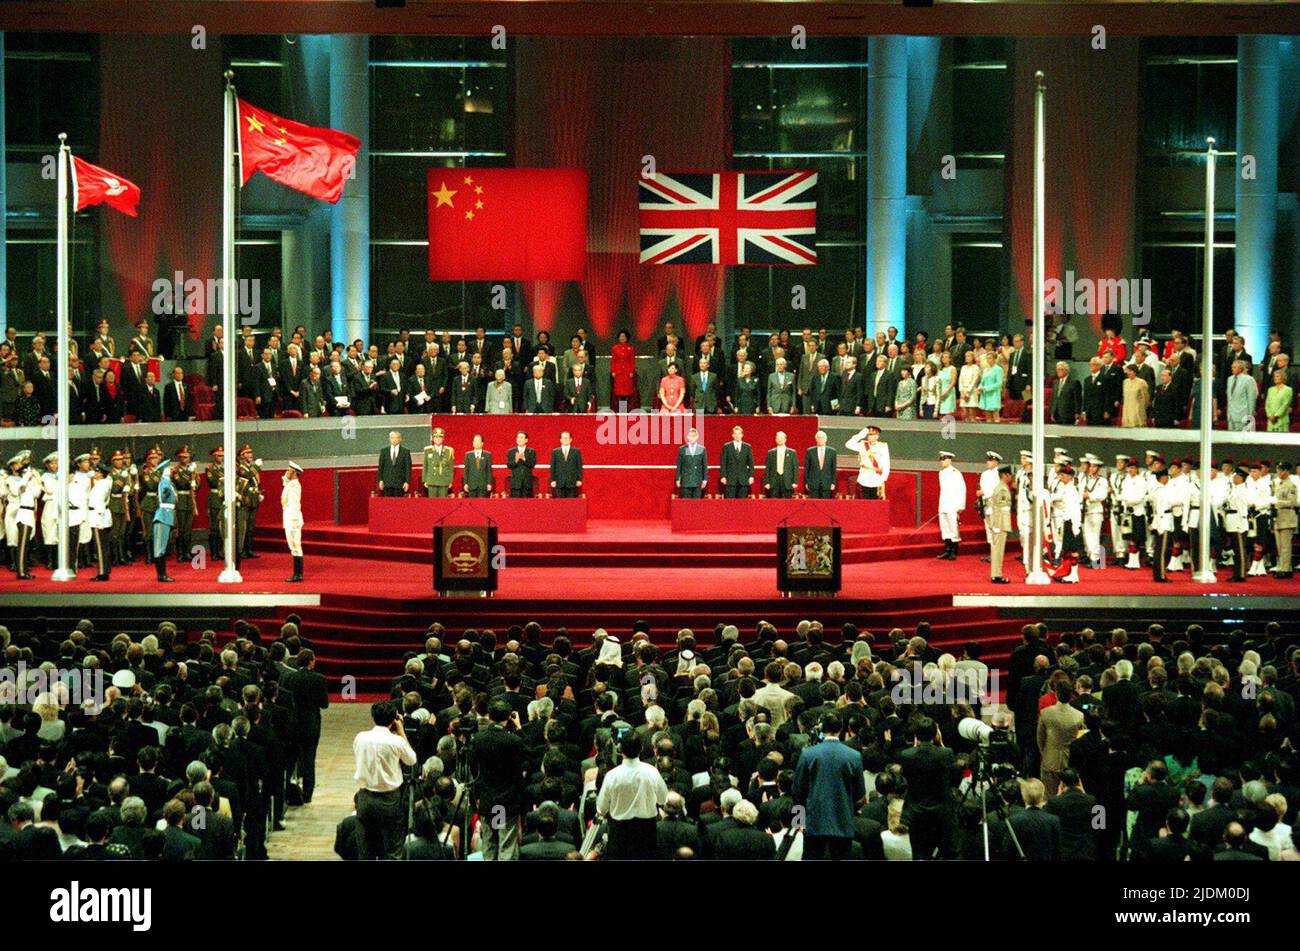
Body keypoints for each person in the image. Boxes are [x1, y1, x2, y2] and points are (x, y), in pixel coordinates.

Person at [789, 713, 865, 860]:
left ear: (822, 729)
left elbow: (798, 791)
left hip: (814, 821)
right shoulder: (854, 755)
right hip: (843, 820)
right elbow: (859, 792)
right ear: (841, 729)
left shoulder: (808, 754)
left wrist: (798, 821)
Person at [352, 700, 417, 859]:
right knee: (392, 849)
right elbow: (412, 760)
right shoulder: (397, 741)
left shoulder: (360, 737)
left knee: (365, 848)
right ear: (394, 719)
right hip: (389, 799)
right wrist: (401, 732)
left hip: (365, 797)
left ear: (373, 718)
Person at [596, 729, 669, 860]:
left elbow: (601, 808)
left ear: (620, 749)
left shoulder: (612, 776)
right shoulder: (651, 772)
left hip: (620, 833)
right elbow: (663, 799)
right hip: (646, 832)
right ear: (641, 749)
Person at [471, 699, 527, 861]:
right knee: (506, 845)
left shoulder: (478, 739)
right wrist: (520, 728)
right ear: (508, 718)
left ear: (489, 716)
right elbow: (529, 756)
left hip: (488, 800)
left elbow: (475, 770)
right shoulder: (513, 741)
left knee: (489, 844)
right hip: (505, 802)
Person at [897, 717, 957, 860]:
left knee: (919, 853)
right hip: (941, 813)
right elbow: (953, 776)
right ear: (936, 734)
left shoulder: (907, 755)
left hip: (917, 812)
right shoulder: (946, 753)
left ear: (916, 735)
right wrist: (941, 743)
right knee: (946, 853)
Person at [1006, 779, 1062, 861]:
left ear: (1023, 797)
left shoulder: (1013, 821)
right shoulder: (1054, 820)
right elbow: (1058, 851)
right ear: (1042, 796)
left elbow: (1008, 850)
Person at [936, 451, 966, 560]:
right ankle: (947, 549)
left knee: (953, 527)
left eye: (943, 459)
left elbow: (961, 490)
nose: (942, 461)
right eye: (941, 459)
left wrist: (960, 507)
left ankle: (954, 550)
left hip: (953, 504)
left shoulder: (956, 473)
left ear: (949, 459)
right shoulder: (941, 473)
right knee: (945, 528)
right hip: (943, 503)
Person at [845, 425, 889, 500]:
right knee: (864, 503)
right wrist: (862, 433)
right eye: (868, 434)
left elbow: (886, 463)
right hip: (864, 478)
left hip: (876, 478)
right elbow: (848, 444)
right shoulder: (862, 445)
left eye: (872, 434)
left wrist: (883, 478)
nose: (869, 436)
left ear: (877, 436)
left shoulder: (883, 446)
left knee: (876, 504)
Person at [988, 465, 1014, 583]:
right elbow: (999, 508)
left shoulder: (1002, 487)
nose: (1011, 477)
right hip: (999, 523)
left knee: (998, 550)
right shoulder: (1002, 489)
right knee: (997, 550)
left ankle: (997, 574)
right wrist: (996, 526)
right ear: (1005, 475)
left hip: (1000, 523)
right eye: (1009, 475)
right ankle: (996, 575)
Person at [153, 458, 176, 583]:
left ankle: (163, 574)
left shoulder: (168, 482)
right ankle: (161, 575)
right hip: (163, 516)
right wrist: (166, 478)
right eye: (169, 469)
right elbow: (164, 493)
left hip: (168, 515)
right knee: (159, 548)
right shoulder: (164, 482)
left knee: (163, 547)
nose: (171, 470)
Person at [282, 462, 304, 583]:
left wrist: (294, 520)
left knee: (295, 546)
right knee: (293, 546)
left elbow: (294, 504)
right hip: (289, 517)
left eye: (289, 470)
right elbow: (285, 481)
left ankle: (298, 574)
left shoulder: (294, 486)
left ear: (294, 472)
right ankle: (297, 573)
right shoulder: (291, 484)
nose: (286, 472)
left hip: (293, 518)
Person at [1273, 460, 1296, 579]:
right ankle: (1283, 567)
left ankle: (1285, 569)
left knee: (1285, 546)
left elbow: (1292, 502)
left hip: (1287, 517)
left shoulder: (1290, 485)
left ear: (1286, 471)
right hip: (1278, 518)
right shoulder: (1278, 484)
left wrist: (1277, 502)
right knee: (1279, 546)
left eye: (1281, 470)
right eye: (1278, 470)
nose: (1278, 472)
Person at [719, 426, 754, 499]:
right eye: (735, 434)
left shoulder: (747, 447)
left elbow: (751, 463)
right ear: (732, 435)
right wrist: (723, 476)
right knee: (730, 503)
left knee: (742, 504)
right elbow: (723, 463)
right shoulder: (727, 446)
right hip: (730, 480)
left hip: (743, 480)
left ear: (742, 435)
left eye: (739, 434)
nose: (737, 436)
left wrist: (751, 476)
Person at [764, 431, 798, 499]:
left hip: (787, 482)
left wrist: (795, 482)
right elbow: (767, 469)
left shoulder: (792, 453)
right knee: (774, 504)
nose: (780, 440)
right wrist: (767, 482)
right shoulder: (771, 453)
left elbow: (795, 468)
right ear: (775, 439)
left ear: (785, 439)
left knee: (787, 504)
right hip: (773, 482)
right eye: (778, 438)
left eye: (781, 438)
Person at [1224, 359, 1257, 431]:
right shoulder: (1229, 379)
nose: (1232, 369)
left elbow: (1251, 399)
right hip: (1231, 415)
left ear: (1241, 368)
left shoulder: (1249, 379)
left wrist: (1250, 417)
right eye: (1232, 367)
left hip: (1243, 415)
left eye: (1234, 367)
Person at [803, 430, 837, 499]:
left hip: (827, 484)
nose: (820, 439)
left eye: (822, 437)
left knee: (825, 506)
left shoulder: (832, 452)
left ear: (826, 439)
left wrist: (833, 483)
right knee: (813, 505)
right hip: (813, 484)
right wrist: (806, 482)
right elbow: (807, 468)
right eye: (818, 437)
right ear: (816, 439)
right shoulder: (810, 451)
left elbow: (833, 468)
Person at [675, 427, 708, 499]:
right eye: (690, 436)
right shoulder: (682, 449)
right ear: (687, 437)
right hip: (686, 481)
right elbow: (679, 465)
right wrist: (677, 479)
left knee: (696, 505)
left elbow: (704, 466)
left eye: (694, 436)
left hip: (697, 481)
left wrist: (705, 480)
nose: (692, 438)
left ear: (697, 437)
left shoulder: (702, 449)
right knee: (686, 504)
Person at [377, 431, 411, 497]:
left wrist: (407, 482)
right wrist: (380, 480)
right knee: (388, 504)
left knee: (398, 505)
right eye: (392, 438)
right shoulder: (384, 451)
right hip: (387, 483)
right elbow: (381, 467)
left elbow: (408, 468)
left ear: (400, 439)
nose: (394, 440)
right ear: (389, 439)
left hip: (400, 483)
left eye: (396, 438)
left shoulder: (405, 452)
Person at [549, 431, 583, 498]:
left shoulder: (576, 451)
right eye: (563, 438)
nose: (565, 440)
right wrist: (552, 480)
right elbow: (553, 467)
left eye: (567, 438)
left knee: (571, 505)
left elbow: (579, 466)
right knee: (560, 505)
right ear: (560, 440)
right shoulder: (555, 452)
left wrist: (579, 479)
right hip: (559, 483)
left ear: (570, 439)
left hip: (572, 482)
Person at [610, 330, 638, 411]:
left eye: (624, 336)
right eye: (621, 336)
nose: (622, 338)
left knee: (627, 392)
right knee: (619, 392)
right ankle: (620, 410)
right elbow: (613, 361)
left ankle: (625, 409)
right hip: (618, 373)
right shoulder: (615, 348)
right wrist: (613, 371)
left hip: (627, 373)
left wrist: (632, 371)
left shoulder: (631, 348)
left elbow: (632, 361)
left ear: (627, 338)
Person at [422, 428, 454, 498]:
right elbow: (425, 466)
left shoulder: (448, 451)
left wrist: (450, 481)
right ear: (433, 438)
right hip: (431, 480)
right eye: (436, 437)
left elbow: (450, 467)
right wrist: (425, 480)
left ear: (443, 439)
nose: (438, 439)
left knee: (443, 503)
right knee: (432, 504)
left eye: (440, 437)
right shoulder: (428, 450)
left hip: (444, 480)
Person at [507, 431, 537, 498]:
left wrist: (524, 459)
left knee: (527, 505)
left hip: (527, 484)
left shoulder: (531, 451)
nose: (519, 439)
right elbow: (509, 465)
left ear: (526, 440)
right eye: (518, 438)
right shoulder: (511, 451)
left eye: (521, 438)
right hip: (515, 484)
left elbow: (532, 465)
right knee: (515, 505)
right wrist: (516, 461)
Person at [976, 352, 1003, 421]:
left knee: (995, 414)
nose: (988, 360)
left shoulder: (998, 369)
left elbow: (999, 383)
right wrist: (979, 387)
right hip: (985, 394)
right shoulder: (985, 370)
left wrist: (986, 388)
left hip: (994, 394)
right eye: (987, 358)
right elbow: (982, 382)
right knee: (988, 415)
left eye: (990, 358)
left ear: (994, 359)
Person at [1265, 368, 1293, 433]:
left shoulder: (1288, 389)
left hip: (1281, 419)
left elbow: (1285, 405)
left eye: (1277, 376)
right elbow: (1267, 404)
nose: (1275, 378)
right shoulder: (1270, 389)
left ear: (1283, 378)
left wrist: (1276, 416)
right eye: (1274, 376)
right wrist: (1269, 415)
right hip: (1270, 420)